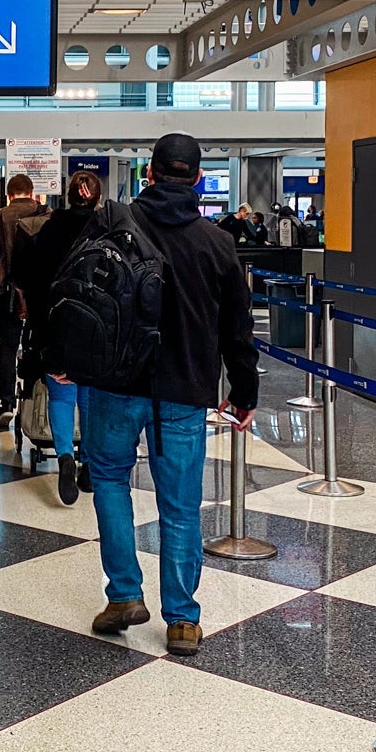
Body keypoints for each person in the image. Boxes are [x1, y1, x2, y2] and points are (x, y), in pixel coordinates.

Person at [81, 133, 259, 657]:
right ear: (199, 180)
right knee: (180, 506)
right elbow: (238, 330)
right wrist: (243, 389)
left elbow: (76, 292)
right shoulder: (218, 243)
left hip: (116, 382)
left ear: (150, 174)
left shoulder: (113, 224)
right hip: (185, 389)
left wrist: (65, 360)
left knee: (111, 481)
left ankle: (124, 596)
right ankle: (182, 620)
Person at [11, 170, 102, 505]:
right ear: (97, 199)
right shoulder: (105, 229)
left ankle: (64, 455)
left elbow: (25, 277)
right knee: (90, 399)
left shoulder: (48, 229)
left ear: (67, 195)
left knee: (62, 396)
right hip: (97, 332)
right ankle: (89, 462)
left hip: (56, 327)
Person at [0, 173, 47, 428]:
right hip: (40, 293)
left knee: (7, 347)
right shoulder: (45, 214)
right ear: (31, 193)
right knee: (40, 344)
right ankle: (37, 400)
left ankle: (6, 403)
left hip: (7, 292)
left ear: (8, 194)